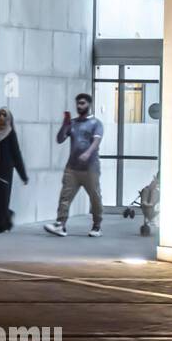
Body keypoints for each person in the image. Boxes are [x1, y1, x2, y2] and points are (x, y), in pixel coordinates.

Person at [44, 91, 104, 238]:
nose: (79, 106)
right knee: (65, 196)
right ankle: (61, 225)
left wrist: (88, 153)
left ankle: (96, 226)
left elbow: (96, 141)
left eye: (82, 103)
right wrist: (65, 125)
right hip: (72, 168)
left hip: (90, 168)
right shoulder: (73, 123)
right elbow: (59, 139)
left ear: (89, 105)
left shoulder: (96, 123)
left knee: (95, 197)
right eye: (78, 103)